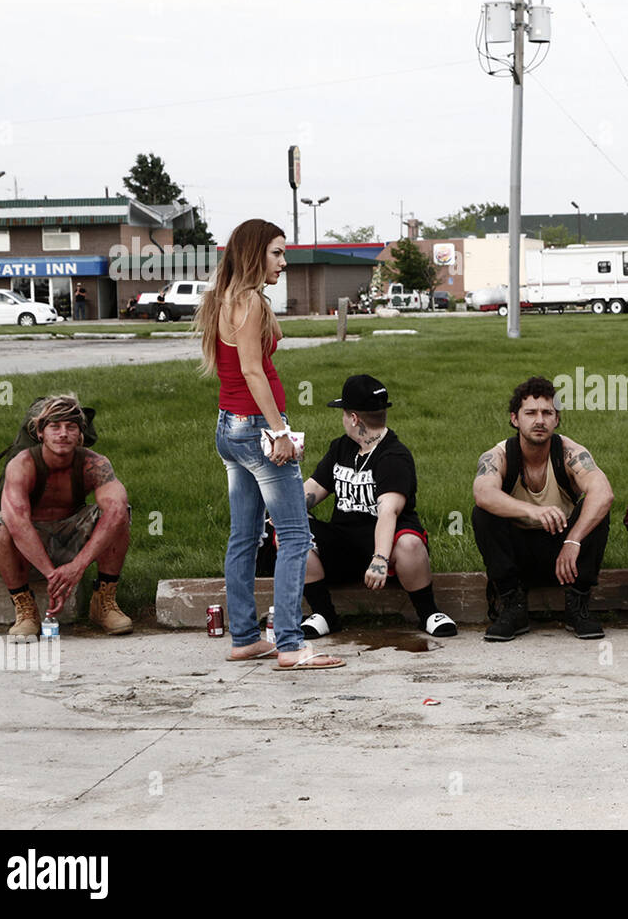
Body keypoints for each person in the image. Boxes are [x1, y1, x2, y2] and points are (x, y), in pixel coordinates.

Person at [194, 218, 343, 670]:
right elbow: (253, 372)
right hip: (258, 429)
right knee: (295, 535)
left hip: (229, 429)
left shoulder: (222, 298)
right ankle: (292, 645)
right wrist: (279, 431)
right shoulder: (251, 301)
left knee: (244, 536)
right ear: (255, 253)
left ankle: (244, 637)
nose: (284, 261)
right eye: (277, 252)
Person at [300, 374, 456, 639]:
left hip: (388, 549)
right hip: (343, 543)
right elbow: (314, 489)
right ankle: (324, 614)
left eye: (344, 413)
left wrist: (380, 559)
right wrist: (283, 512)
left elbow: (388, 512)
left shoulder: (394, 456)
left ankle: (428, 612)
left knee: (410, 543)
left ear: (353, 418)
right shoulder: (341, 448)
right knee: (294, 532)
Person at [472, 376, 614, 642]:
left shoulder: (570, 453)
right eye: (531, 413)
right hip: (518, 556)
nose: (540, 420)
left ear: (556, 419)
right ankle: (512, 605)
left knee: (596, 509)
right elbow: (483, 493)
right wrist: (532, 510)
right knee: (483, 512)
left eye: (547, 413)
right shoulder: (499, 455)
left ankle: (578, 603)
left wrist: (573, 540)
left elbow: (603, 492)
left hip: (565, 554)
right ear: (515, 419)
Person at [0, 395, 133, 639]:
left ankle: (104, 601)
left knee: (119, 513)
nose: (63, 433)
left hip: (71, 535)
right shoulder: (22, 465)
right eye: (55, 426)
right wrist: (53, 576)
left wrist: (77, 566)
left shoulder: (95, 464)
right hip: (29, 543)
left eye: (71, 427)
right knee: (0, 524)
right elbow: (18, 523)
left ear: (80, 433)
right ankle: (25, 609)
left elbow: (116, 509)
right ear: (40, 432)